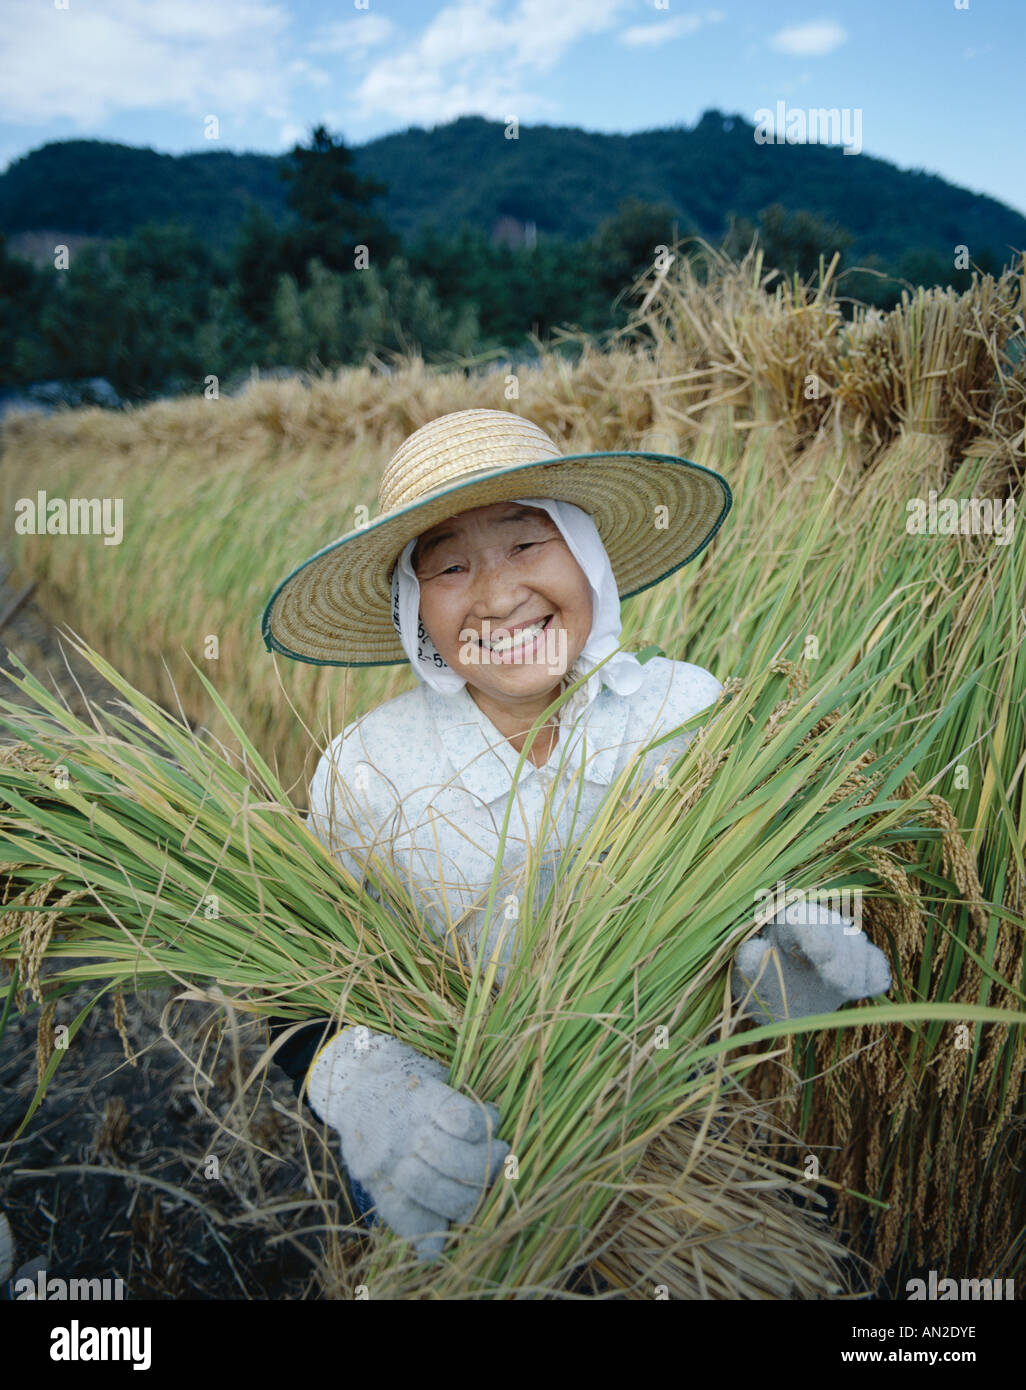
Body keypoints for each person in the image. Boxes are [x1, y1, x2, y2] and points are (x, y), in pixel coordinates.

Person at [260, 408, 891, 1261]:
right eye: (449, 565)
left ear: (584, 554)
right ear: (416, 608)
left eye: (526, 545)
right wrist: (373, 1097)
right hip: (461, 1161)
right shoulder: (368, 768)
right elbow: (295, 980)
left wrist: (780, 967)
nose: (496, 594)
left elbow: (763, 896)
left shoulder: (684, 712)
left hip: (677, 1152)